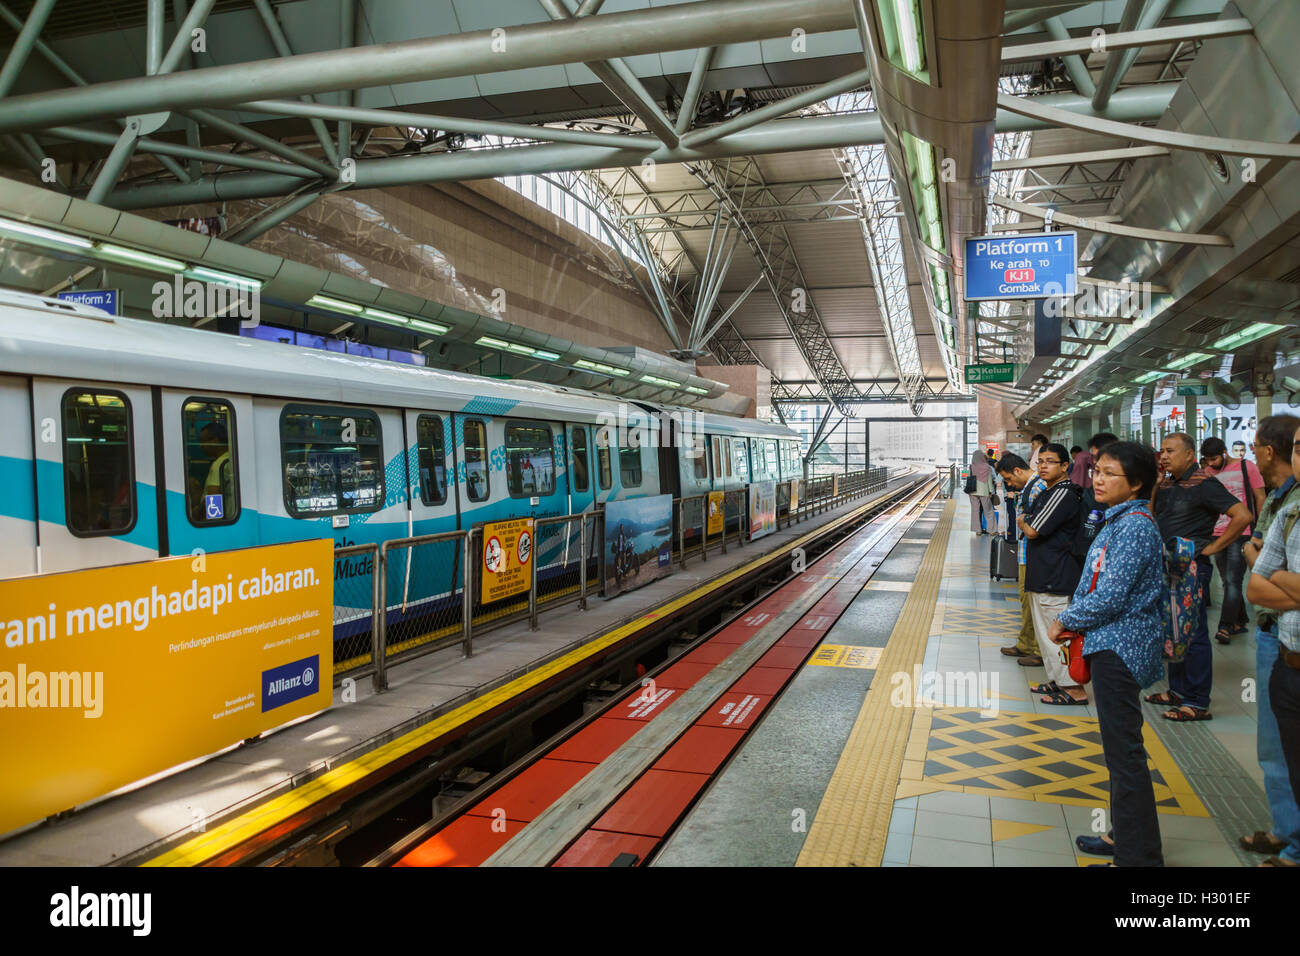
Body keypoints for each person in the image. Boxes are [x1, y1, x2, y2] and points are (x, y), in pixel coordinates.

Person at [1050, 442, 1165, 866]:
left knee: (1125, 754)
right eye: (1097, 470)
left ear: (1135, 483)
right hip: (1111, 644)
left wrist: (1066, 618)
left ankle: (1139, 857)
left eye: (1109, 473)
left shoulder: (1134, 526)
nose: (1097, 479)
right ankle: (1125, 838)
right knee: (1120, 752)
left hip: (1120, 647)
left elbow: (1111, 595)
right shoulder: (1119, 520)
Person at [1147, 432, 1252, 721]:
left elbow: (1242, 515)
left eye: (1170, 451)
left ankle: (1196, 701)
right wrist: (1156, 485)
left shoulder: (1205, 484)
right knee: (1174, 631)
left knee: (1192, 633)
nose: (1164, 456)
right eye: (1162, 451)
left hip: (1192, 568)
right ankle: (1177, 691)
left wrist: (1212, 548)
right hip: (1169, 565)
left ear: (1190, 455)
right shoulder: (1168, 482)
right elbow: (1152, 514)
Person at [1241, 414, 1300, 866]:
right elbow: (1257, 585)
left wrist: (1266, 566)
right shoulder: (1284, 503)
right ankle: (1287, 830)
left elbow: (1262, 567)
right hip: (1277, 637)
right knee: (1276, 744)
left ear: (1266, 451)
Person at [1019, 443, 1086, 704]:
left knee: (1056, 635)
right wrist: (1027, 519)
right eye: (1040, 462)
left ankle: (1073, 688)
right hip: (1044, 573)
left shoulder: (1063, 493)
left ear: (1065, 466)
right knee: (1045, 634)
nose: (1043, 466)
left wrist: (1024, 520)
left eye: (1050, 462)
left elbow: (1033, 528)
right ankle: (1058, 681)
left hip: (1055, 576)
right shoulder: (1048, 492)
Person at [1201, 435, 1266, 644]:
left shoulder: (1247, 467)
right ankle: (1240, 620)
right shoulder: (1208, 473)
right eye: (1207, 460)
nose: (1211, 464)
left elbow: (1260, 498)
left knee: (1232, 580)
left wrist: (1261, 530)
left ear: (1224, 453)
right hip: (1216, 533)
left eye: (1213, 459)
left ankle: (1225, 626)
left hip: (1242, 531)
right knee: (1226, 578)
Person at [996, 453, 1046, 667]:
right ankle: (1026, 643)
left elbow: (1035, 523)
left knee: (1032, 602)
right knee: (1026, 601)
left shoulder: (1037, 488)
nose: (1009, 484)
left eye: (1008, 479)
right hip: (1026, 551)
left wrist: (1023, 520)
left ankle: (1036, 648)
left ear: (1017, 471)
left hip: (1034, 554)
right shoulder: (1029, 487)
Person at [968, 449, 997, 536]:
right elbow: (989, 480)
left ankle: (978, 531)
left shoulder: (972, 466)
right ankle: (991, 530)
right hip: (984, 491)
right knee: (988, 510)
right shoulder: (987, 466)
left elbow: (969, 478)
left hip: (973, 491)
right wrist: (991, 491)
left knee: (975, 511)